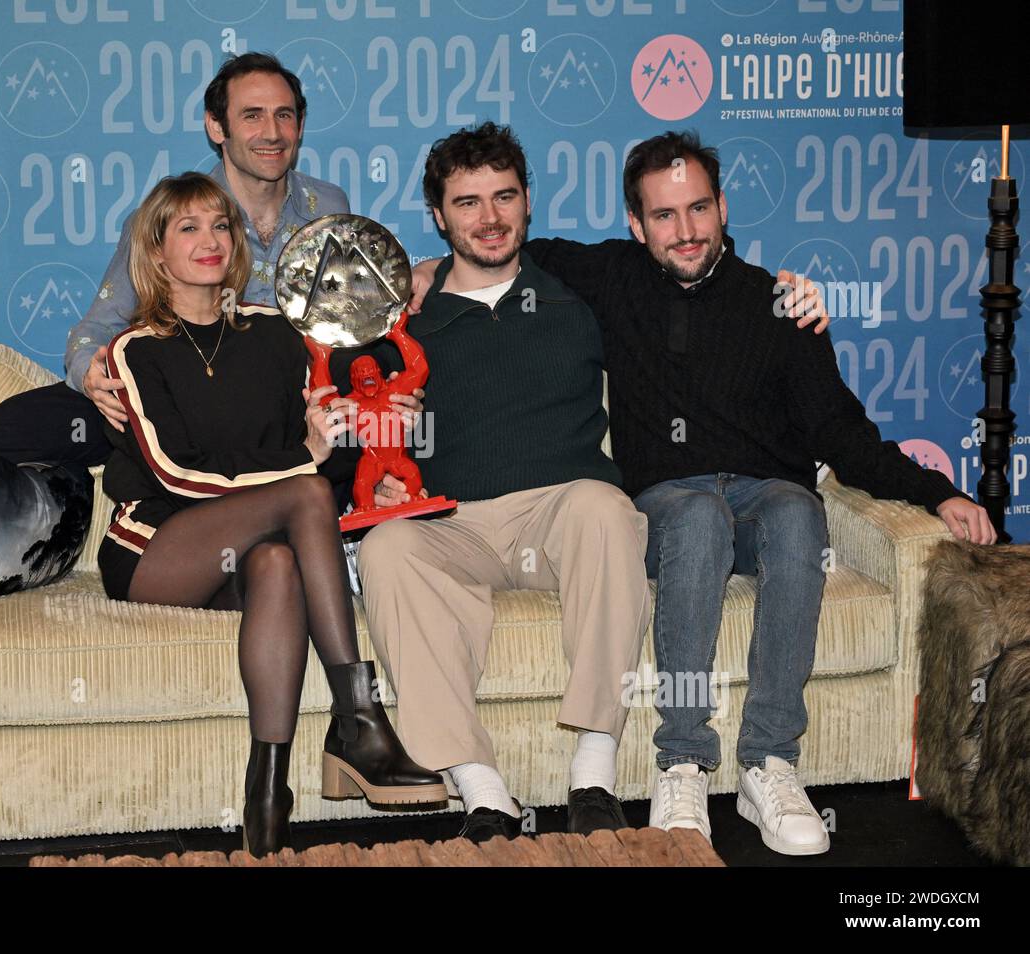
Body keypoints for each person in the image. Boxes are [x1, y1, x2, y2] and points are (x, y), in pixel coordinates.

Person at [411, 129, 994, 855]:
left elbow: (841, 431)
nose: (684, 231)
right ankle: (682, 759)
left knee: (794, 511)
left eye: (698, 209)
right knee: (694, 514)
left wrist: (938, 493)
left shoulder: (780, 305)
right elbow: (486, 251)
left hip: (763, 496)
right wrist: (422, 272)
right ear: (636, 225)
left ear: (723, 208)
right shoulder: (607, 276)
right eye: (663, 215)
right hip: (671, 502)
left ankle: (768, 763)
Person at [0, 52, 423, 576]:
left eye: (285, 116)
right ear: (216, 127)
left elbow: (361, 322)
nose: (271, 132)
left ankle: (386, 523)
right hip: (188, 395)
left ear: (301, 126)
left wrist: (415, 291)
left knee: (395, 401)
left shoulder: (329, 202)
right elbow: (95, 329)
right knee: (62, 408)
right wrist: (91, 377)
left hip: (284, 402)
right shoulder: (175, 214)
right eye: (252, 115)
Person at [99, 170, 445, 857]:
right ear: (156, 253)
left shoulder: (275, 332)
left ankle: (268, 785)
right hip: (159, 546)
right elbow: (178, 473)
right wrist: (306, 460)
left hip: (255, 546)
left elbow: (326, 444)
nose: (211, 240)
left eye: (222, 225)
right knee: (305, 492)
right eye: (188, 228)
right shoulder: (136, 349)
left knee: (281, 560)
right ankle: (358, 718)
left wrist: (371, 437)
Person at [352, 122, 654, 843]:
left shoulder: (582, 291)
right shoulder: (403, 318)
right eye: (467, 203)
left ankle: (593, 774)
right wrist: (382, 488)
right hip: (451, 521)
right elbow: (360, 430)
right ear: (437, 216)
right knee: (386, 549)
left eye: (504, 197)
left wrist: (788, 297)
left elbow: (691, 271)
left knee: (607, 510)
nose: (489, 218)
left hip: (560, 512)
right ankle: (482, 792)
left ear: (528, 203)